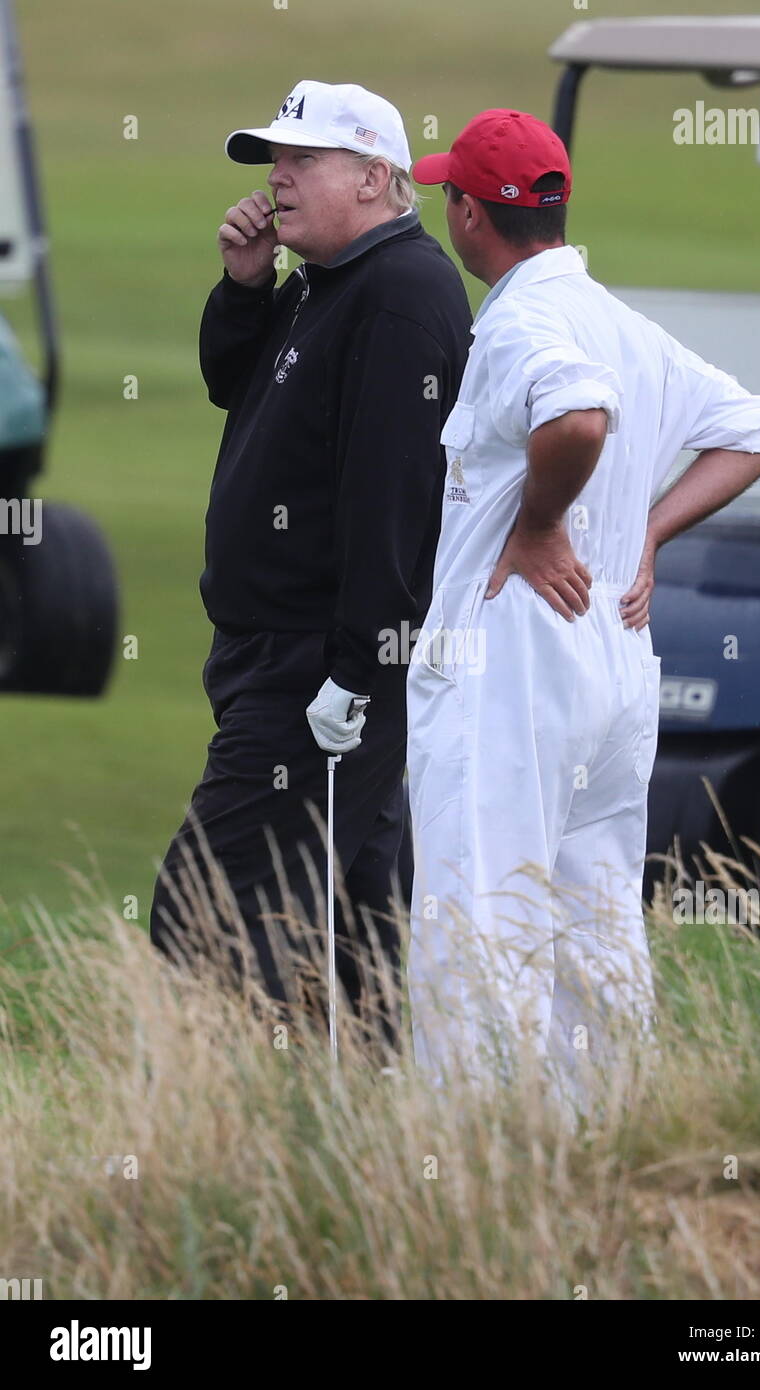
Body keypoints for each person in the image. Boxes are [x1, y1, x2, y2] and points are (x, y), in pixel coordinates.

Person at [407, 109, 760, 1103]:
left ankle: (473, 1155)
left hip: (512, 660)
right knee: (593, 921)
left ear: (469, 214)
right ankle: (600, 1141)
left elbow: (577, 416)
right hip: (614, 659)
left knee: (482, 913)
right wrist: (645, 534)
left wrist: (539, 523)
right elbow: (755, 430)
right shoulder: (622, 323)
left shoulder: (520, 322)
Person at [150, 81, 472, 1041]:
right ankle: (373, 1108)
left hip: (317, 667)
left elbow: (392, 499)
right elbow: (232, 384)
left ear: (373, 177)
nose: (276, 179)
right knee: (356, 927)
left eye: (302, 160)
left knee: (205, 908)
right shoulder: (324, 277)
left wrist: (356, 672)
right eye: (273, 160)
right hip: (276, 656)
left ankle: (211, 1107)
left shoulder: (400, 293)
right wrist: (244, 287)